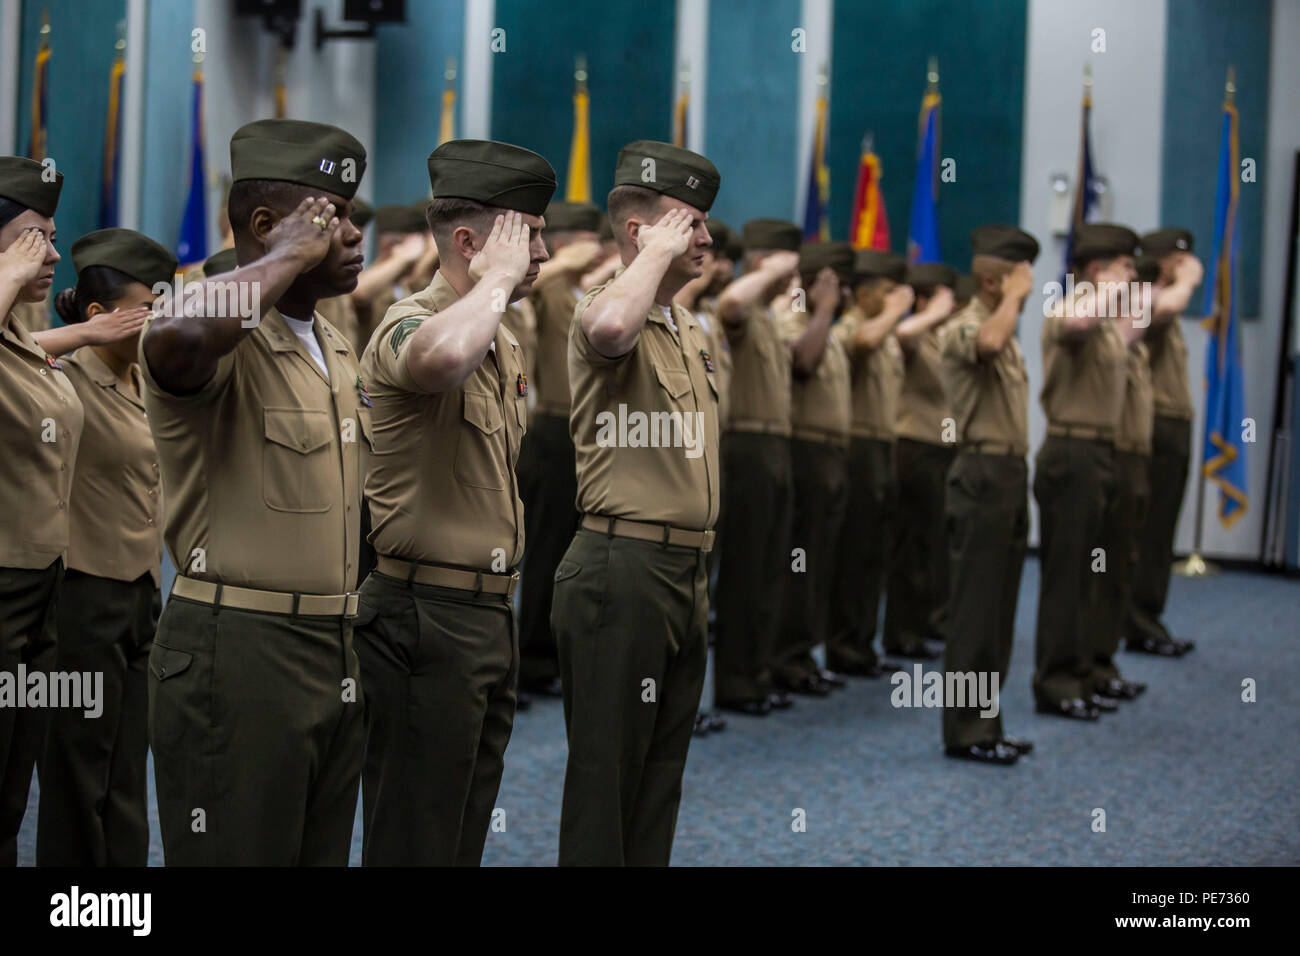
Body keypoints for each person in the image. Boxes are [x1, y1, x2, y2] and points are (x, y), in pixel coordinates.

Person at [139, 118, 371, 865]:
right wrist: (288, 256)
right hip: (238, 653)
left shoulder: (336, 346)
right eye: (335, 219)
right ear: (269, 226)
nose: (356, 235)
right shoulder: (211, 329)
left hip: (335, 647)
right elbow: (173, 339)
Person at [356, 139, 554, 866]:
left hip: (485, 615)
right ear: (470, 243)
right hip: (423, 618)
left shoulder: (497, 339)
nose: (543, 252)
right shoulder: (410, 322)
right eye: (527, 234)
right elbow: (436, 361)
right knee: (416, 833)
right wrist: (494, 284)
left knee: (461, 830)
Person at [552, 139, 720, 865]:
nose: (707, 239)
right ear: (639, 232)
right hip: (622, 570)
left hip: (685, 574)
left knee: (659, 776)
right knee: (607, 777)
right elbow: (614, 327)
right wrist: (651, 255)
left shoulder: (691, 328)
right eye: (690, 224)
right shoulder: (603, 311)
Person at [34, 228, 173, 865]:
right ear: (101, 315)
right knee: (78, 772)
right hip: (82, 598)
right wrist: (82, 340)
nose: (165, 314)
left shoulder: (150, 380)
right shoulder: (62, 380)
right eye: (153, 302)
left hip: (142, 595)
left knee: (125, 772)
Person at [0, 156, 82, 866]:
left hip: (39, 584)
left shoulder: (20, 339)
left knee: (10, 789)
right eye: (34, 238)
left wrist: (85, 335)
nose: (52, 254)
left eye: (53, 238)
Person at [1034, 222, 1145, 721]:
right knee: (1068, 575)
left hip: (1100, 457)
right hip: (1071, 454)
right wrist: (1108, 291)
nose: (1132, 274)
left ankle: (1083, 671)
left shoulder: (1104, 322)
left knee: (1092, 574)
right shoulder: (1068, 308)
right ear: (1097, 269)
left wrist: (1130, 296)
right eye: (1125, 265)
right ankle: (1055, 681)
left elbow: (1130, 329)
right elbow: (1077, 324)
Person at [939, 225, 1038, 764]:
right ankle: (965, 731)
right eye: (1019, 277)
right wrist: (1018, 300)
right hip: (979, 473)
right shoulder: (965, 326)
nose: (1027, 285)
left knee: (998, 613)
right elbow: (989, 344)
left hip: (1008, 475)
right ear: (993, 280)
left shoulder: (1004, 325)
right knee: (975, 612)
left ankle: (987, 723)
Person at [707, 219, 801, 716]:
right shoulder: (739, 310)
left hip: (774, 448)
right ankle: (737, 682)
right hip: (743, 446)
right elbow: (733, 303)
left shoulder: (770, 315)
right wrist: (771, 271)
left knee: (767, 569)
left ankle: (756, 673)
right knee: (744, 571)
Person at [516, 201, 603, 700]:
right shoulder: (549, 287)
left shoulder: (580, 292)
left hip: (580, 431)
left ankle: (548, 654)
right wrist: (578, 255)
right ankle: (529, 658)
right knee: (545, 549)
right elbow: (546, 278)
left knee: (567, 550)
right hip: (547, 427)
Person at [772, 241, 856, 697]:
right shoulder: (793, 320)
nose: (845, 294)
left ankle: (803, 653)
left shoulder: (830, 329)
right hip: (803, 453)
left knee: (818, 561)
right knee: (798, 560)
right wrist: (821, 309)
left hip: (830, 456)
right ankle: (786, 657)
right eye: (839, 285)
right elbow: (802, 363)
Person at [828, 251, 913, 676]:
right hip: (858, 448)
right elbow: (860, 344)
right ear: (862, 295)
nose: (897, 299)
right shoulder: (850, 328)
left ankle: (862, 643)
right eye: (887, 292)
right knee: (856, 550)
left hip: (883, 447)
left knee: (875, 552)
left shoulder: (887, 336)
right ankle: (844, 645)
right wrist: (896, 312)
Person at [1127, 229, 1203, 657]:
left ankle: (1146, 618)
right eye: (1180, 260)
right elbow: (1162, 311)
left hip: (1172, 421)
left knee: (1159, 531)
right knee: (1148, 531)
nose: (1187, 266)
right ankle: (1137, 622)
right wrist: (1186, 281)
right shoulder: (1143, 296)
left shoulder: (1162, 295)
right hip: (1153, 422)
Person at [884, 263, 959, 665]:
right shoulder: (915, 332)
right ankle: (903, 631)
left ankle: (932, 619)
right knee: (911, 544)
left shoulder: (942, 338)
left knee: (936, 543)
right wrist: (929, 311)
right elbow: (903, 332)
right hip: (915, 445)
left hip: (943, 446)